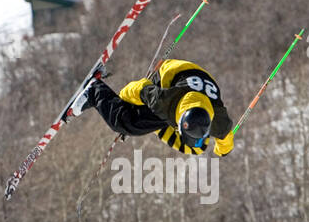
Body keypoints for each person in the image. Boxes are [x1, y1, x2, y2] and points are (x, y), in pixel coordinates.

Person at [76, 59, 236, 156]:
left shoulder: (219, 123)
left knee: (197, 148)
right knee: (126, 123)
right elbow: (138, 88)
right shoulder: (163, 102)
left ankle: (145, 121)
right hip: (170, 73)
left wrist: (223, 151)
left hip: (196, 78)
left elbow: (226, 139)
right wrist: (126, 103)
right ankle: (94, 91)